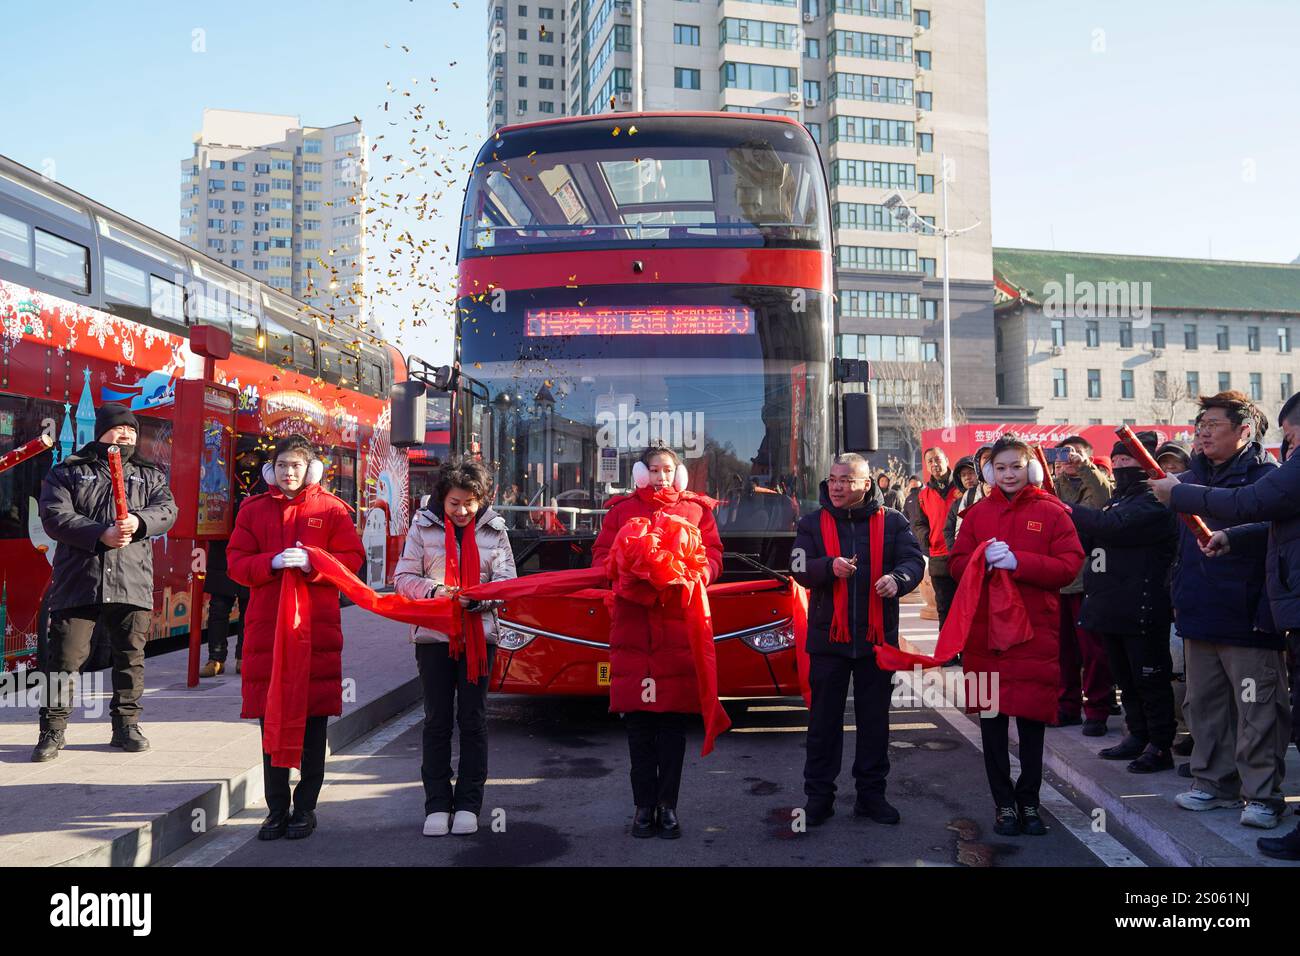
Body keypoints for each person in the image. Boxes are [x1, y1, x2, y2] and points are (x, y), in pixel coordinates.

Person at [1150, 392, 1300, 855]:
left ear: (1245, 430)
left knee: (1258, 711)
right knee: (1204, 704)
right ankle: (1212, 782)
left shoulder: (1266, 477)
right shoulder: (1189, 478)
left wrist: (1224, 531)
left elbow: (1253, 512)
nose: (1204, 432)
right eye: (1200, 425)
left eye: (1214, 423)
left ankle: (1262, 795)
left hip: (1249, 616)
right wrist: (1178, 595)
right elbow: (1179, 549)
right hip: (1199, 611)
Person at [226, 434, 366, 841]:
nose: (290, 473)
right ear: (273, 469)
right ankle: (275, 810)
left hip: (315, 633)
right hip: (267, 632)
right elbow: (235, 562)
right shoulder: (252, 511)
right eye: (283, 465)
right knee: (270, 725)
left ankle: (305, 808)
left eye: (297, 466)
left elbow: (353, 561)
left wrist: (315, 563)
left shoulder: (333, 510)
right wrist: (268, 562)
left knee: (312, 728)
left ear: (311, 469)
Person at [950, 435, 1084, 837]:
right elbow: (956, 565)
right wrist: (979, 560)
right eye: (1001, 467)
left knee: (1031, 726)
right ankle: (1003, 804)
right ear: (990, 471)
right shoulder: (975, 514)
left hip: (1034, 636)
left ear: (1031, 468)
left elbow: (1069, 564)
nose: (1009, 474)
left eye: (1016, 466)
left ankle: (1029, 801)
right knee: (991, 726)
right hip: (985, 638)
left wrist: (1019, 562)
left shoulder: (1053, 512)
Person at [32, 403, 178, 762]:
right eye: (117, 428)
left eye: (131, 429)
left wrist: (140, 523)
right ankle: (52, 729)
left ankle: (126, 726)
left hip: (131, 581)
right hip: (79, 580)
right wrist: (101, 533)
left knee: (129, 657)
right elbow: (54, 515)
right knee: (65, 658)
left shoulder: (150, 475)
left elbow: (168, 511)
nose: (126, 434)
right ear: (100, 432)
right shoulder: (69, 471)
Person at [590, 445, 723, 840]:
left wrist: (693, 573)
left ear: (679, 474)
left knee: (672, 727)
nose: (662, 477)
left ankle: (668, 807)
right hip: (631, 627)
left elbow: (714, 557)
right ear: (640, 473)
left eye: (668, 470)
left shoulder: (698, 512)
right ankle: (642, 807)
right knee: (638, 728)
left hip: (677, 629)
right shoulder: (620, 511)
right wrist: (626, 570)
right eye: (654, 469)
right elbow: (600, 559)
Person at [792, 453, 924, 827]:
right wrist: (826, 567)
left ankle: (871, 796)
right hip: (827, 640)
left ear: (867, 484)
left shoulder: (894, 522)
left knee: (874, 722)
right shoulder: (812, 523)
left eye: (846, 480)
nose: (836, 486)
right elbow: (799, 566)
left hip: (875, 640)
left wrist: (897, 580)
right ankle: (819, 797)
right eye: (833, 479)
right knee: (823, 723)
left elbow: (914, 562)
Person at [395, 456, 517, 837]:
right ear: (442, 500)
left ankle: (468, 804)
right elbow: (403, 577)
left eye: (469, 502)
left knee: (474, 720)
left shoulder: (496, 530)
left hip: (480, 638)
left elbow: (508, 582)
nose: (462, 510)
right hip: (434, 639)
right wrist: (437, 592)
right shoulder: (422, 527)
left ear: (480, 499)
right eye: (454, 503)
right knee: (436, 721)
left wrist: (480, 599)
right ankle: (436, 804)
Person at [1069, 432, 1180, 773]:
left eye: (1127, 460)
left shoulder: (1154, 501)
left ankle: (1160, 745)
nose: (1119, 466)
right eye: (1115, 461)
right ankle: (1137, 735)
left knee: (1150, 681)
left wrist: (1067, 509)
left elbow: (1113, 528)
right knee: (1125, 680)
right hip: (1111, 609)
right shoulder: (1116, 501)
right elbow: (1095, 534)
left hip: (1143, 608)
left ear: (1146, 463)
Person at [1052, 435, 1115, 735]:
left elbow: (1102, 497)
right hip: (1059, 580)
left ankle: (1097, 711)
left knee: (1094, 653)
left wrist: (1084, 465)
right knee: (1063, 652)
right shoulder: (1055, 485)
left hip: (1089, 581)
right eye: (1064, 455)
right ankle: (1067, 706)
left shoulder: (1099, 484)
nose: (1068, 459)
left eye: (1075, 454)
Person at [199, 449, 265, 678]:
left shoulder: (264, 483)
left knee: (249, 611)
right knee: (218, 609)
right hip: (222, 553)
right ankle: (215, 659)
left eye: (253, 457)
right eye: (245, 456)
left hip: (251, 555)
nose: (249, 460)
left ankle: (243, 657)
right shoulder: (224, 478)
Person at [911, 447, 961, 626]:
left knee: (965, 608)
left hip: (963, 554)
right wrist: (928, 539)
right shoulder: (923, 495)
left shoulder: (962, 486)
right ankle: (946, 654)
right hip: (938, 557)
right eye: (930, 461)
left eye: (937, 459)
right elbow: (918, 524)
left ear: (947, 460)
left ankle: (966, 653)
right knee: (944, 610)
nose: (934, 464)